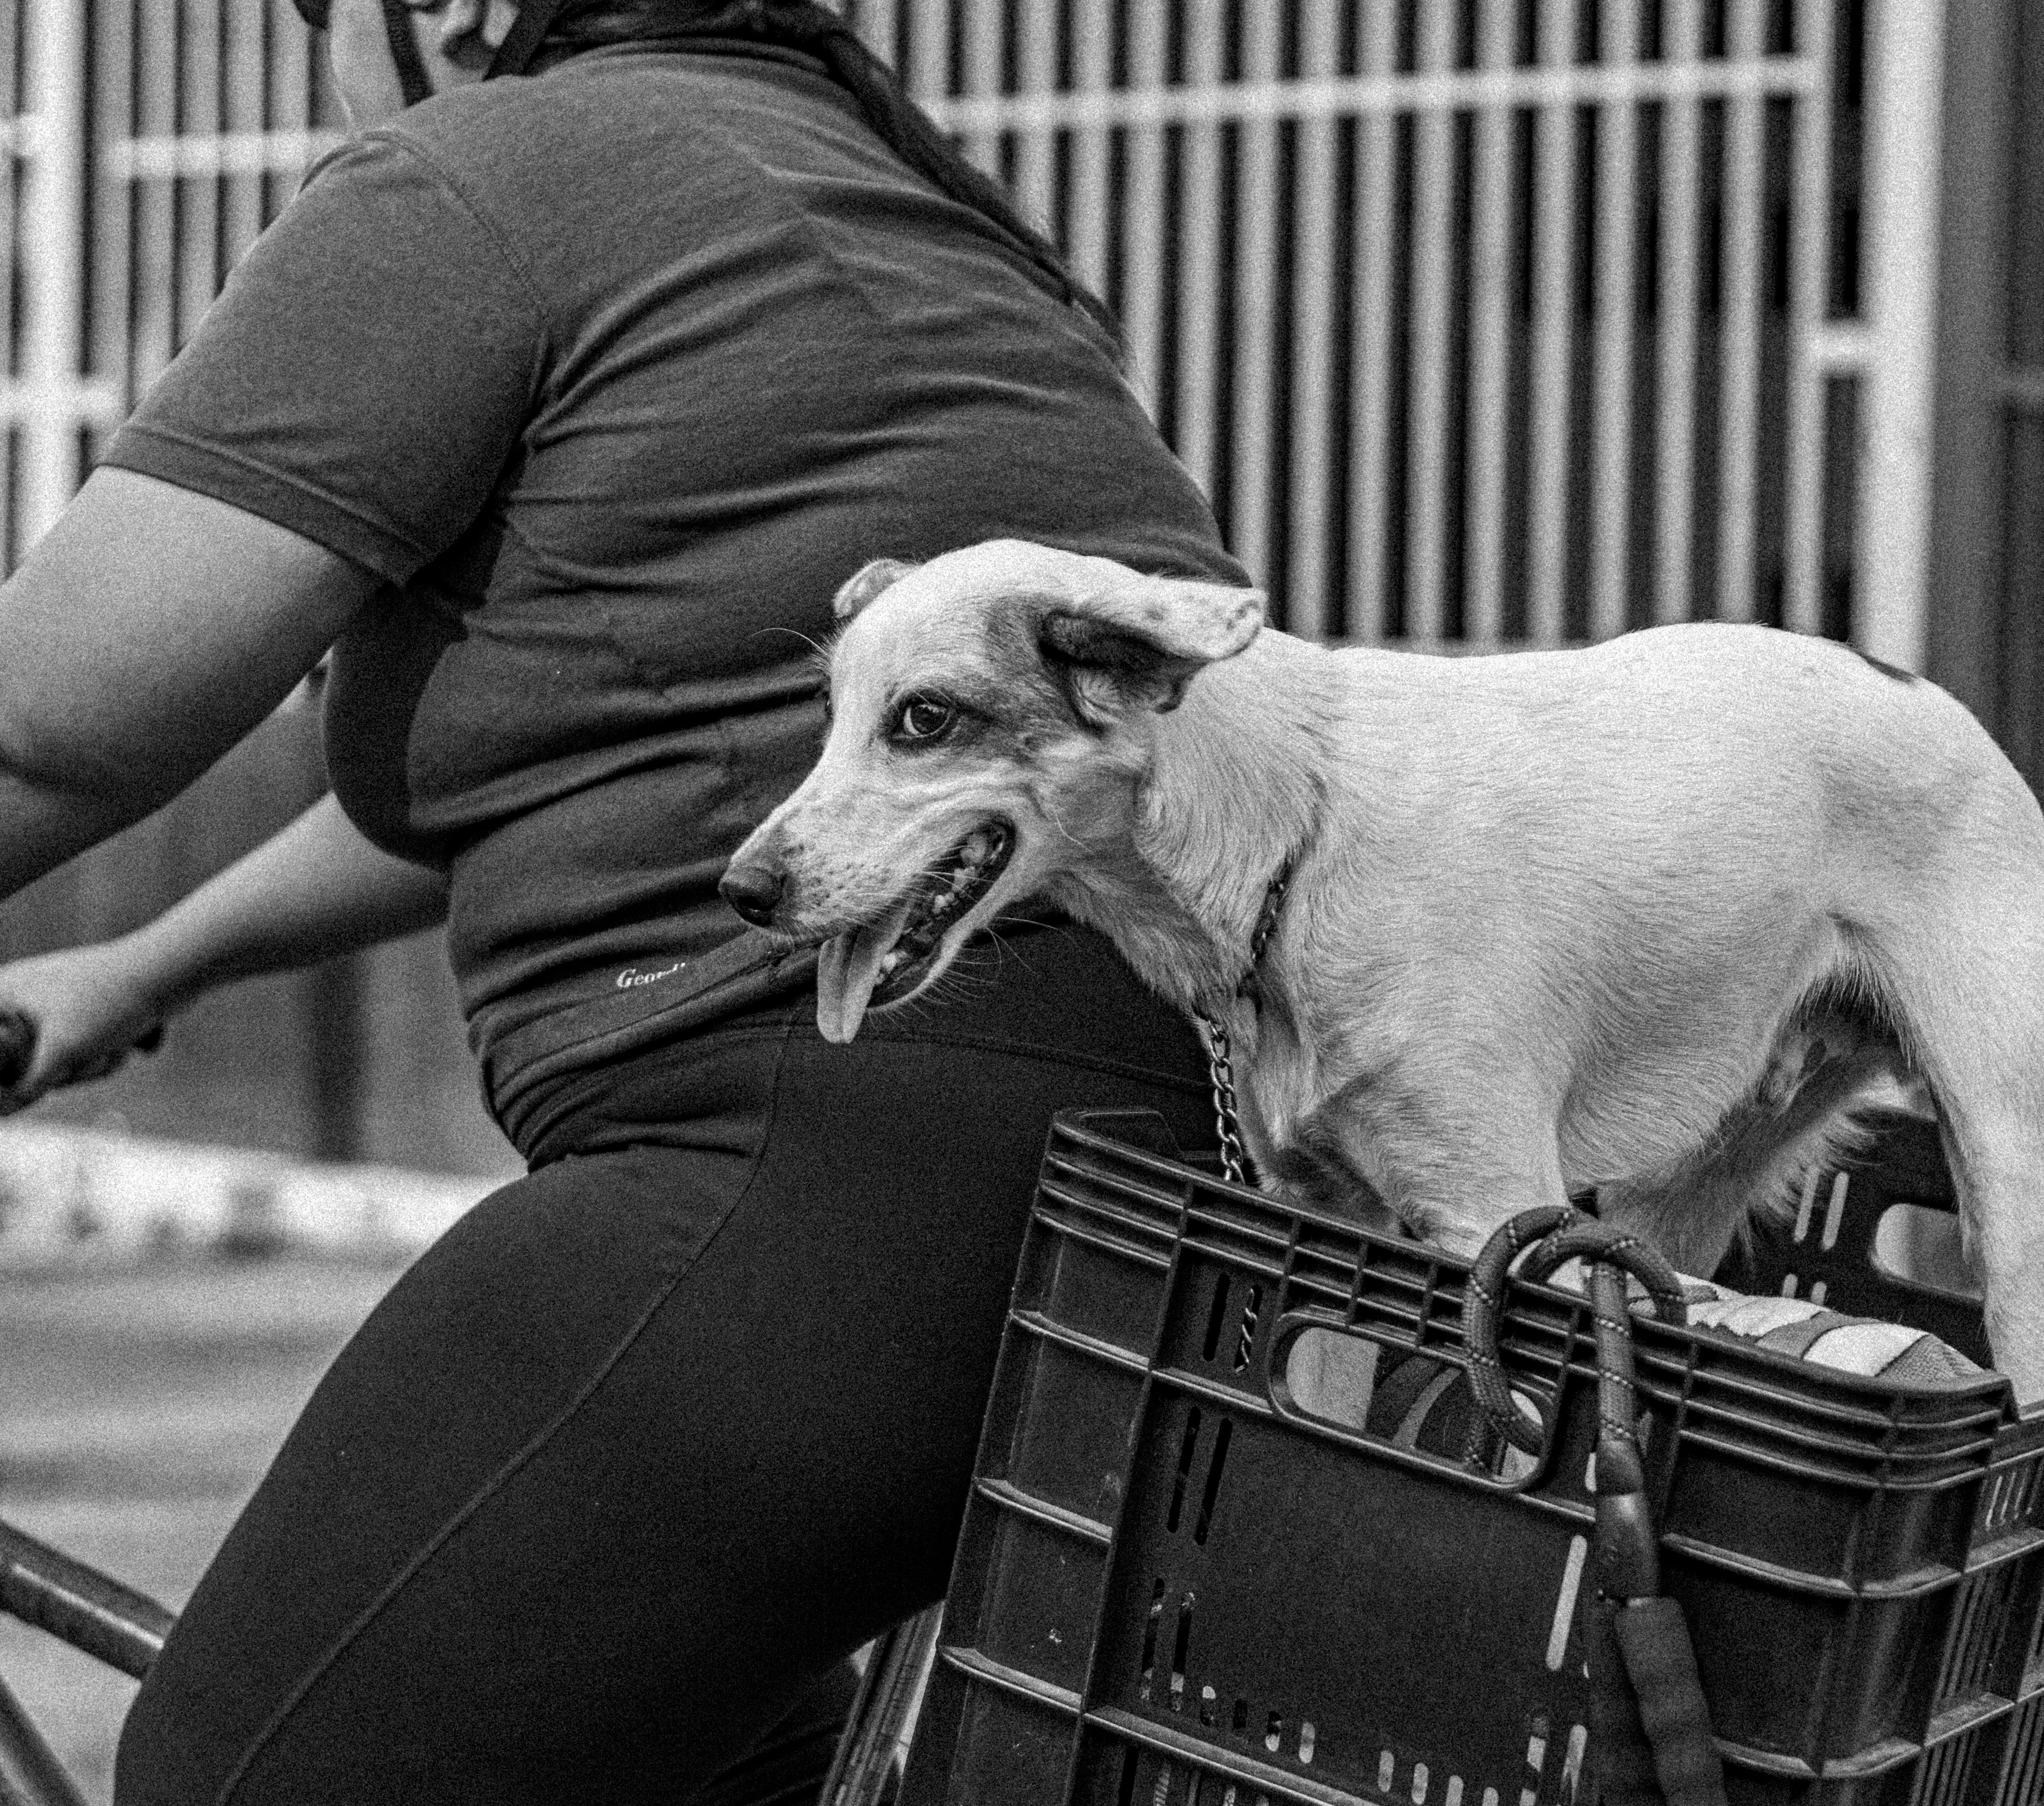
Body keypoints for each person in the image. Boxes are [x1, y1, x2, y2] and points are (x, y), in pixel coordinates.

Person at [0, 2, 1237, 1799]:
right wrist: (147, 958)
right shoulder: (869, 199)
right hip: (1113, 1161)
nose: (325, 87)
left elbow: (53, 725)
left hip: (824, 1172)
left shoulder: (490, 173)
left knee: (245, 1772)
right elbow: (652, 732)